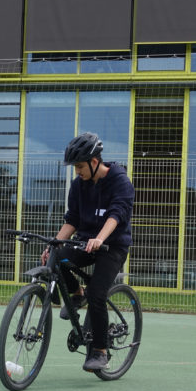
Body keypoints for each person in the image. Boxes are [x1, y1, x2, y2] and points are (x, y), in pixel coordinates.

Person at [40, 132, 135, 372]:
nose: (77, 172)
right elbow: (72, 219)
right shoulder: (78, 186)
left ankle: (100, 351)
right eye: (74, 167)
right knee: (58, 259)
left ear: (95, 162)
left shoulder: (120, 181)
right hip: (85, 242)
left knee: (98, 295)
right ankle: (76, 292)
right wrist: (54, 244)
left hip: (112, 247)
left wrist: (100, 238)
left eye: (80, 166)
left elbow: (116, 214)